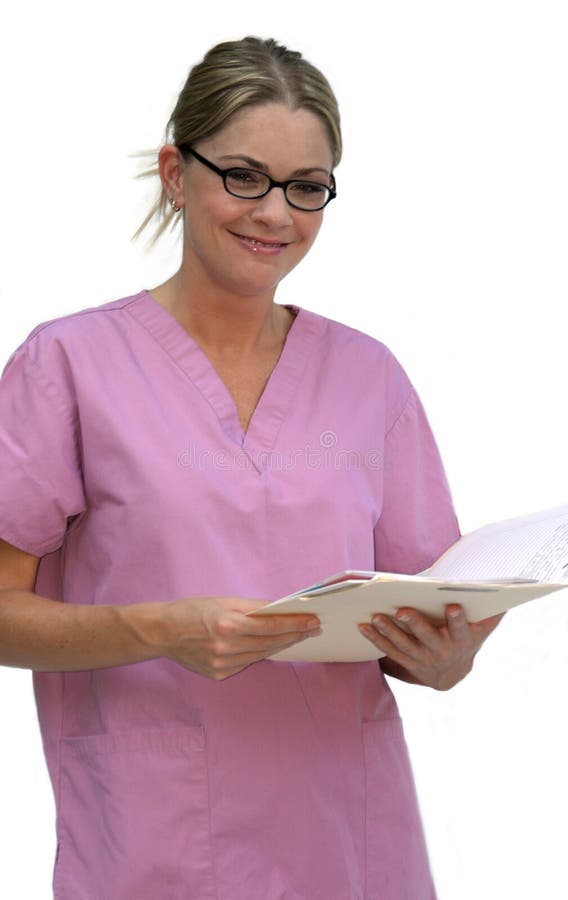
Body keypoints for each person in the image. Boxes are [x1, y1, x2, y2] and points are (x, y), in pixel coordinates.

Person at [0, 36, 502, 900]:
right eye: (244, 175)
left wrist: (444, 659)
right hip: (155, 841)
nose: (275, 213)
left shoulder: (367, 376)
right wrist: (160, 630)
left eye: (306, 187)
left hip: (351, 840)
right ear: (174, 171)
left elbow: (427, 613)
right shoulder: (68, 365)